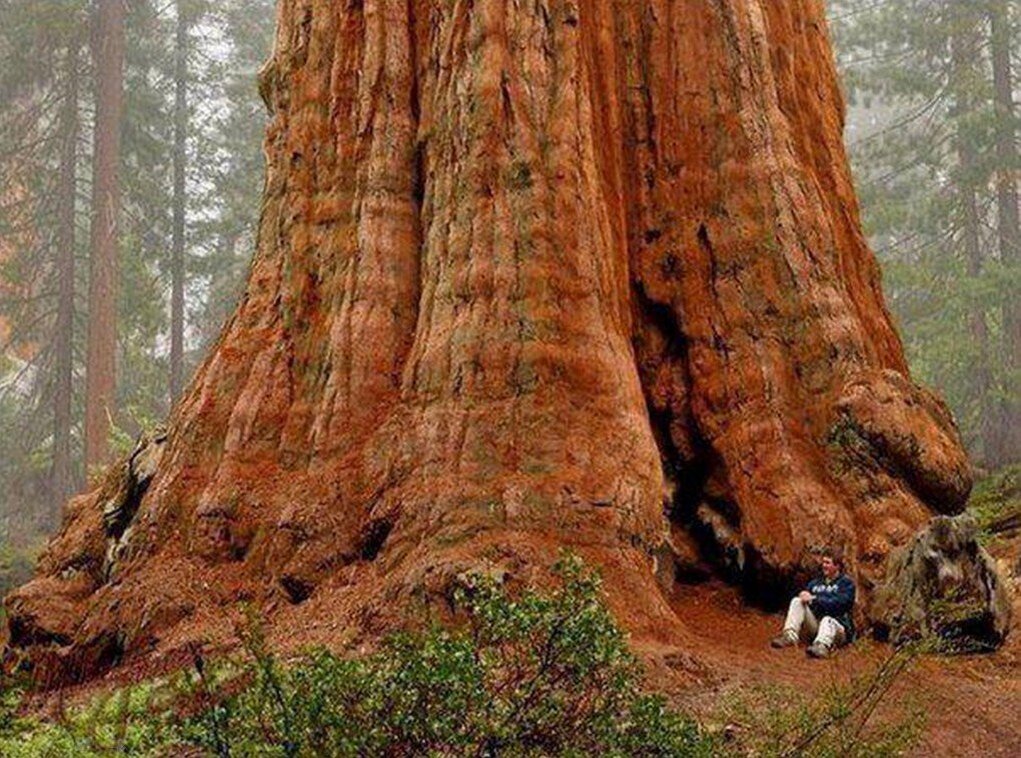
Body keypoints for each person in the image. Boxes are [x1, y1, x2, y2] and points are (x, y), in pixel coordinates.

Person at [770, 550, 856, 658]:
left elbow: (840, 603)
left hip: (837, 628)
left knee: (827, 620)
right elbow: (808, 601)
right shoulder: (815, 583)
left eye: (828, 563)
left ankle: (822, 646)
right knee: (797, 601)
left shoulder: (846, 584)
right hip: (816, 625)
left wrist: (815, 599)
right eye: (823, 562)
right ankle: (790, 636)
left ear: (837, 566)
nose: (824, 566)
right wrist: (804, 595)